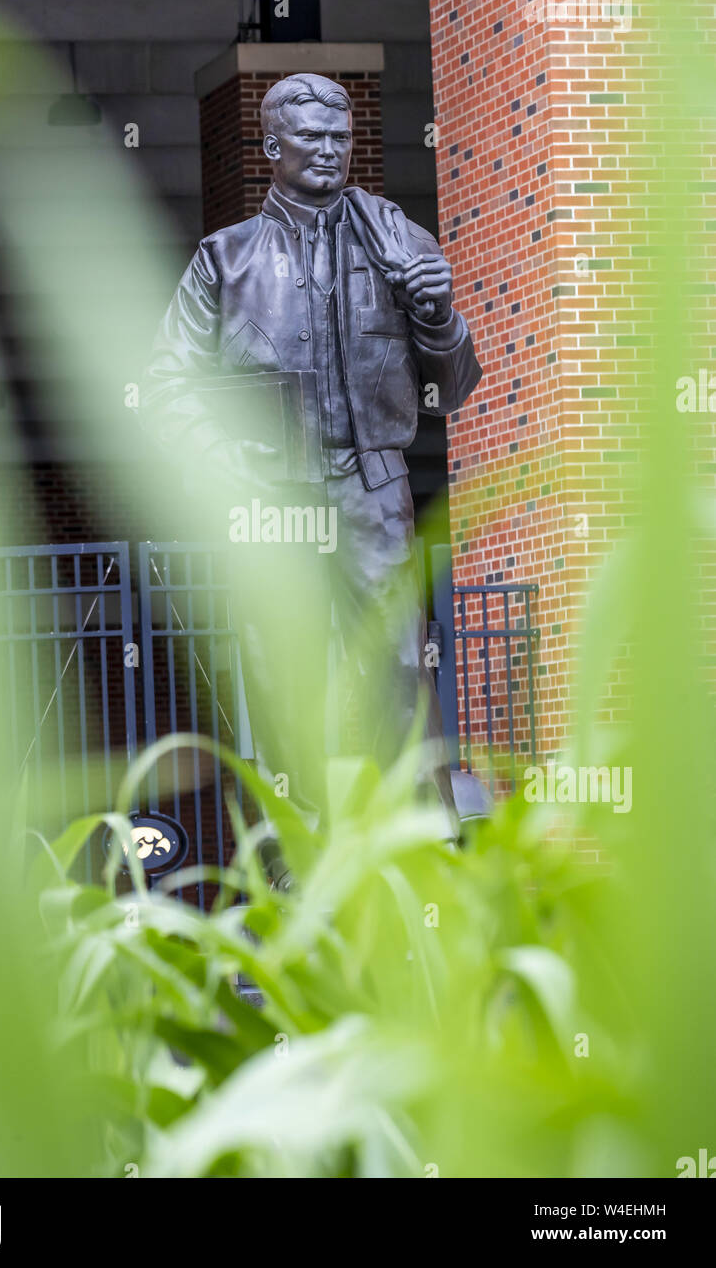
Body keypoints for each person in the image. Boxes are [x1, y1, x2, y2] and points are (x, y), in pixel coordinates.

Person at [144, 73, 483, 869]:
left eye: (341, 139)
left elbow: (454, 388)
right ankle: (295, 861)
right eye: (312, 139)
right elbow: (164, 388)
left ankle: (415, 851)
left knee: (399, 665)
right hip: (275, 496)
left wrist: (437, 312)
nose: (331, 152)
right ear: (271, 148)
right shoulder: (223, 261)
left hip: (373, 484)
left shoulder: (398, 240)